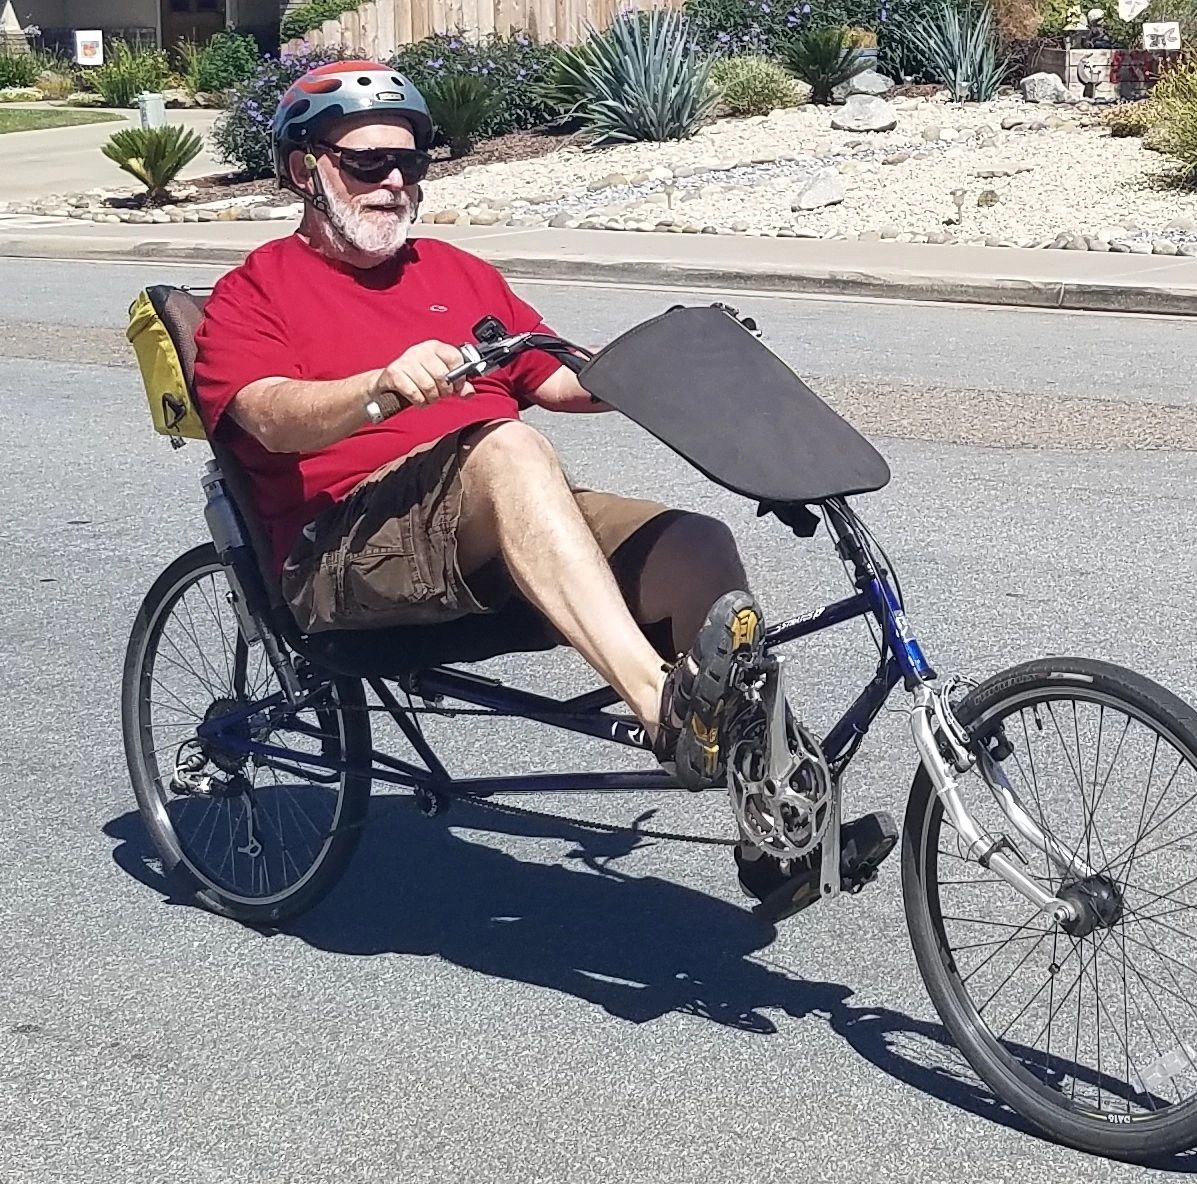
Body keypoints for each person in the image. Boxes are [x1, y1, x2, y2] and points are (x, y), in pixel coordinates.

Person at [191, 61, 895, 920]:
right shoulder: (256, 290)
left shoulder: (453, 272)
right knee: (510, 448)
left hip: (486, 524)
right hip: (345, 552)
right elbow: (268, 415)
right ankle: (660, 705)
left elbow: (554, 376)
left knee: (697, 547)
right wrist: (376, 388)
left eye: (410, 162)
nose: (395, 181)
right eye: (368, 162)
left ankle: (778, 833)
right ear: (306, 169)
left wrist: (663, 368)